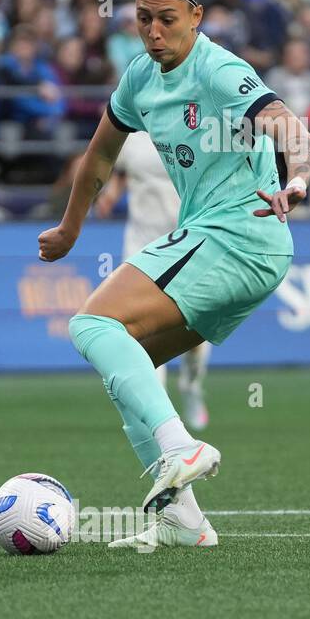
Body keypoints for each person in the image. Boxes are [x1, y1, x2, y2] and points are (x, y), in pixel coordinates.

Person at [39, 0, 310, 551]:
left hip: (240, 235)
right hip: (220, 240)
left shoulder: (220, 70)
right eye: (143, 19)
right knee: (125, 362)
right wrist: (69, 230)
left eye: (166, 19)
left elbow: (294, 130)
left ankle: (182, 446)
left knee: (91, 324)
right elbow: (99, 156)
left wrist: (296, 180)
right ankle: (183, 520)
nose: (154, 31)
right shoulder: (140, 77)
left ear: (197, 16)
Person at [96, 131, 211, 429]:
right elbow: (120, 173)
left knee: (194, 333)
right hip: (142, 243)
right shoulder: (131, 135)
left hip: (187, 242)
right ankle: (162, 417)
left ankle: (191, 384)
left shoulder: (194, 127)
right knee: (140, 334)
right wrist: (111, 194)